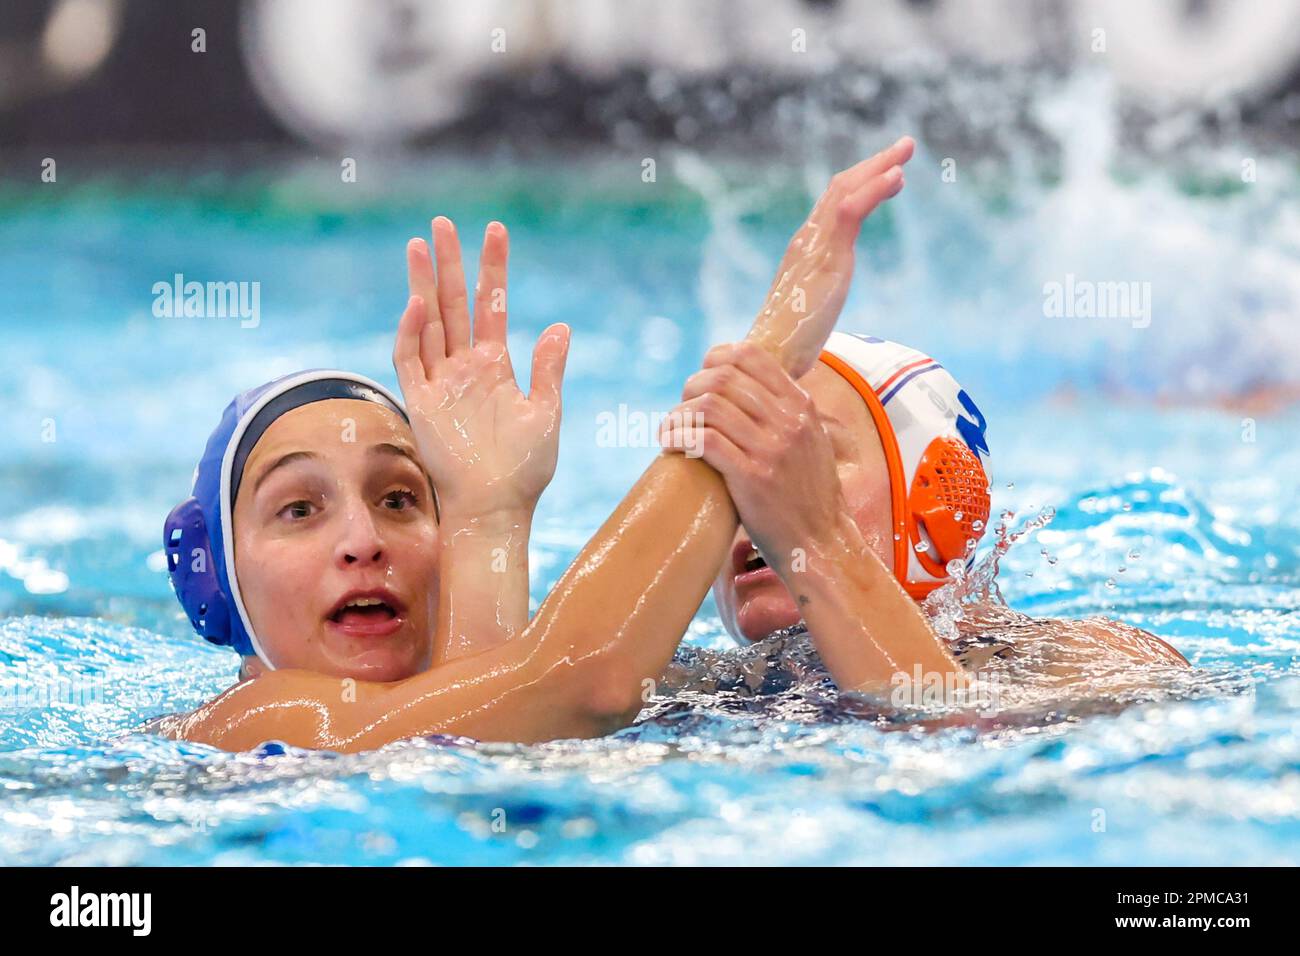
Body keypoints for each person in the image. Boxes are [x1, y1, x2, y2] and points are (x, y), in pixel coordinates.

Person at [154, 136, 921, 752]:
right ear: (215, 583)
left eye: (399, 499)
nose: (362, 541)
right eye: (297, 509)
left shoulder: (493, 701)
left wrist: (488, 511)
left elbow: (482, 744)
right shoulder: (254, 726)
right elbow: (586, 682)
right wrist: (770, 355)